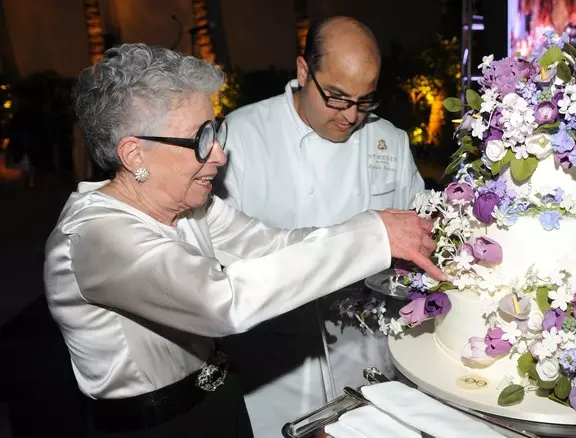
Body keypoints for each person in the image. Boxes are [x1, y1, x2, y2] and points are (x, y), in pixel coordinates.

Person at [42, 43, 444, 437]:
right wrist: (372, 235)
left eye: (215, 133)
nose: (219, 155)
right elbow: (222, 301)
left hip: (222, 405)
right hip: (158, 428)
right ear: (134, 154)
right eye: (201, 139)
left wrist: (380, 235)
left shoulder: (189, 207)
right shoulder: (96, 236)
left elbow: (273, 244)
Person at [216, 16, 426, 436]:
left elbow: (418, 241)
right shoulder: (240, 138)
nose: (351, 116)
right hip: (279, 359)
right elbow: (221, 266)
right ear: (302, 72)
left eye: (365, 101)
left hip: (369, 351)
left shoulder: (390, 142)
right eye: (336, 97)